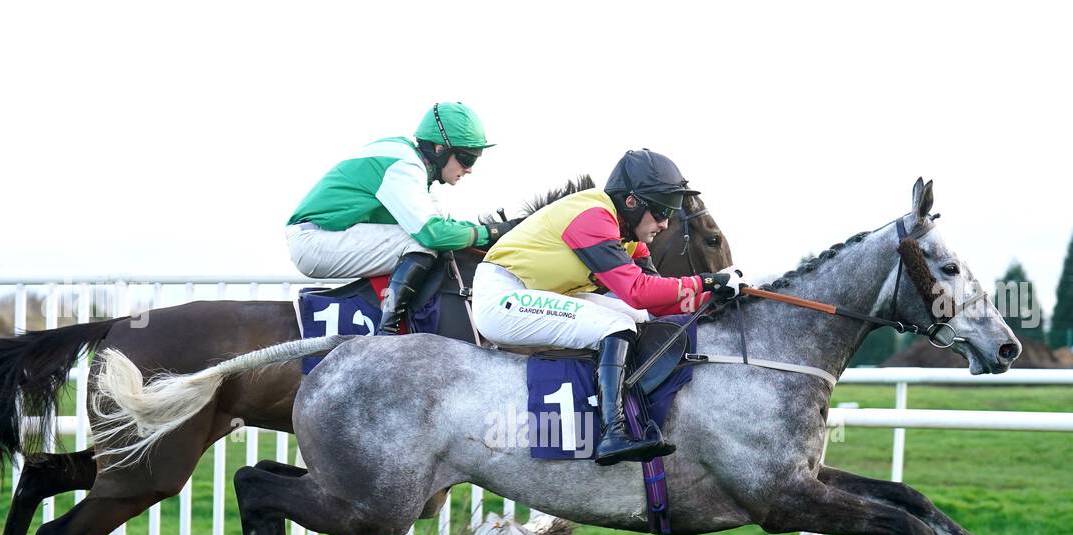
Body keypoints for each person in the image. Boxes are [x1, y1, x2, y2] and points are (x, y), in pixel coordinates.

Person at [475, 148, 745, 466]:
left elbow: (656, 303)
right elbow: (637, 291)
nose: (665, 222)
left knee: (637, 319)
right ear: (631, 202)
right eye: (660, 211)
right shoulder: (593, 217)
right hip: (502, 296)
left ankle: (631, 415)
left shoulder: (629, 235)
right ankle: (613, 433)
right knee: (616, 325)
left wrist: (712, 298)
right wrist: (707, 282)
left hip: (539, 293)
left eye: (670, 213)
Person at [285, 102, 515, 334]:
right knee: (421, 242)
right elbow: (434, 234)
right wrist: (494, 231)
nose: (469, 169)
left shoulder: (414, 169)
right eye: (467, 158)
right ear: (439, 149)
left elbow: (447, 228)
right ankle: (387, 332)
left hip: (326, 237)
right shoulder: (404, 164)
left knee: (436, 241)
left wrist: (493, 233)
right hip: (314, 240)